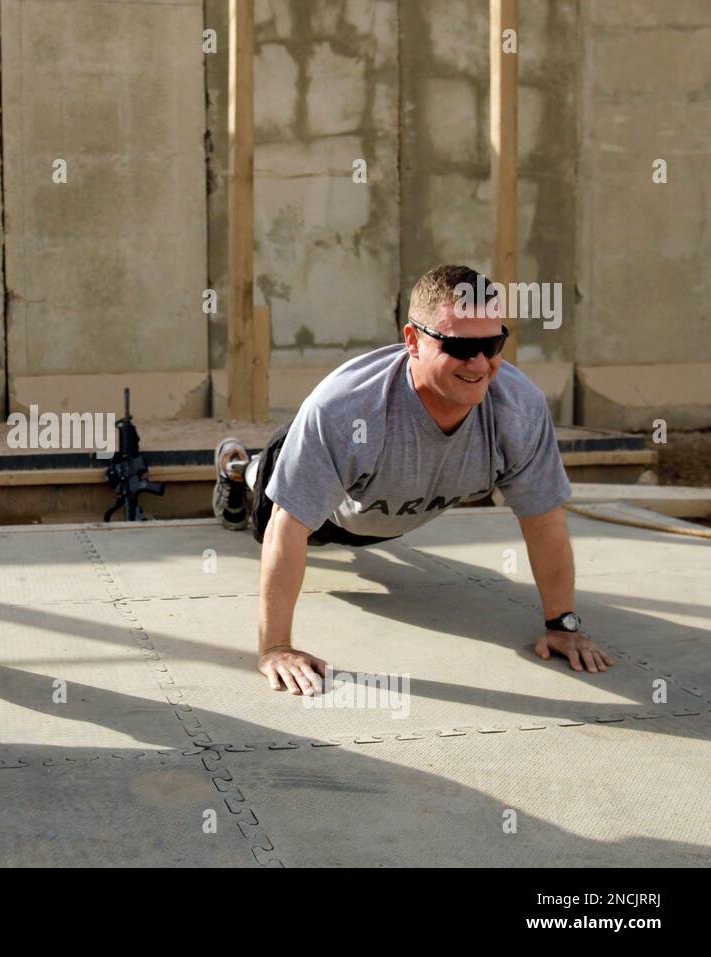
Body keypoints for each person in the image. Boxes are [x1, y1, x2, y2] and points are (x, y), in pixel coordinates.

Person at [212, 264, 614, 694]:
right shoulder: (346, 410)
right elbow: (286, 529)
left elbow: (544, 521)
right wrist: (275, 647)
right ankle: (238, 471)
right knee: (271, 496)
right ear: (412, 341)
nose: (479, 363)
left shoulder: (518, 409)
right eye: (459, 347)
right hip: (329, 512)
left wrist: (562, 624)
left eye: (492, 343)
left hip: (391, 513)